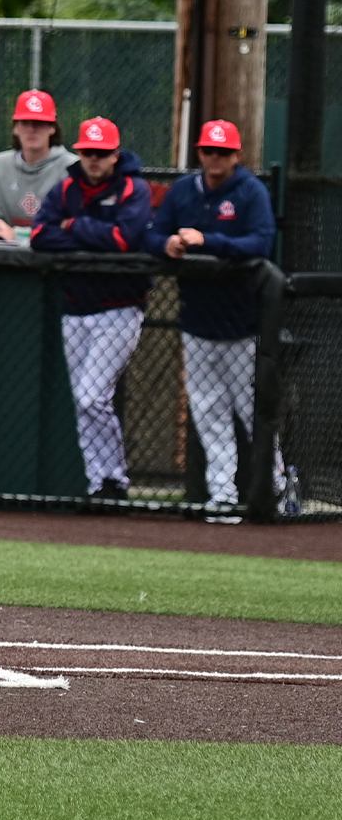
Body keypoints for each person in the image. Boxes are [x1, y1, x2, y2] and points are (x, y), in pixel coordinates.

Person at [151, 119, 281, 523]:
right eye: (209, 150)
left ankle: (274, 488)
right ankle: (222, 494)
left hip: (244, 325)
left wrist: (210, 242)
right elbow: (152, 234)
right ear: (200, 151)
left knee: (251, 410)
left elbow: (261, 242)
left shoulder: (250, 190)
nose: (215, 158)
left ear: (236, 155)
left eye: (223, 152)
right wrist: (167, 243)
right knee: (208, 412)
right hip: (197, 319)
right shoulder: (185, 191)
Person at [31, 117, 152, 502]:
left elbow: (123, 239)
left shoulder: (134, 188)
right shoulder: (67, 186)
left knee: (91, 396)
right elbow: (39, 237)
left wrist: (72, 226)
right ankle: (99, 483)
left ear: (115, 155)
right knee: (83, 401)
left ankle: (113, 478)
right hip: (75, 307)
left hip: (120, 308)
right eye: (88, 152)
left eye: (101, 153)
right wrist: (84, 233)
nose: (94, 159)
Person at [0, 90, 77, 243]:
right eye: (25, 122)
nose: (32, 129)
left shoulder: (72, 167)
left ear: (52, 128)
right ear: (15, 128)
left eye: (39, 123)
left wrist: (16, 234)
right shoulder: (0, 164)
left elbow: (68, 228)